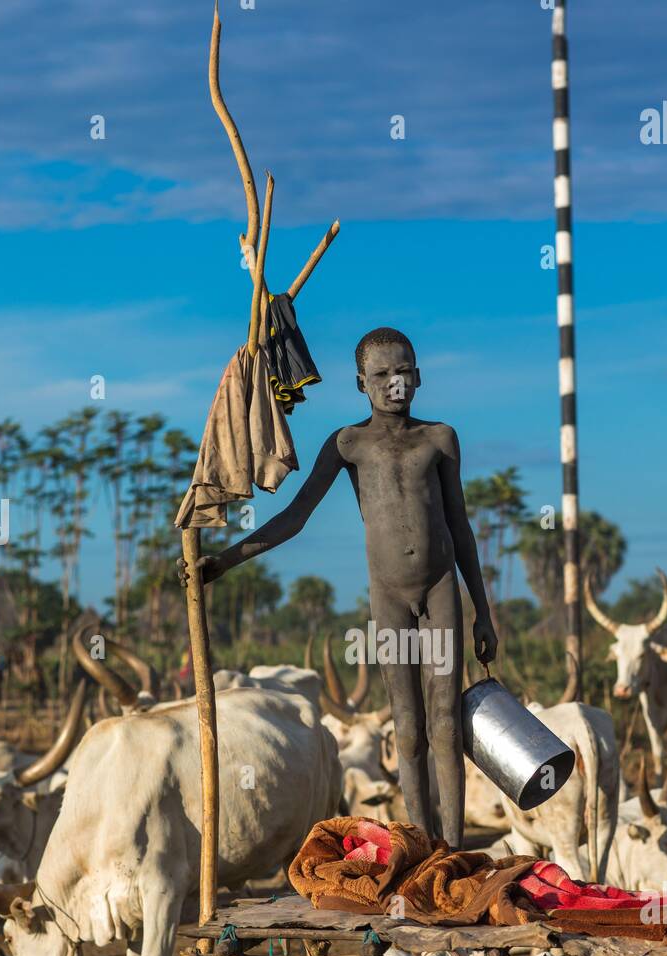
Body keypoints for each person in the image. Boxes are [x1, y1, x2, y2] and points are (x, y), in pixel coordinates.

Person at [178, 327, 497, 848]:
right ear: (360, 384)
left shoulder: (440, 438)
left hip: (441, 589)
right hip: (391, 596)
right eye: (383, 375)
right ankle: (421, 846)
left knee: (446, 722)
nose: (396, 384)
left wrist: (482, 610)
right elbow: (295, 517)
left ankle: (454, 851)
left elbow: (460, 527)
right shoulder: (349, 444)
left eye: (405, 371)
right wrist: (225, 562)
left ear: (418, 375)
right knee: (409, 726)